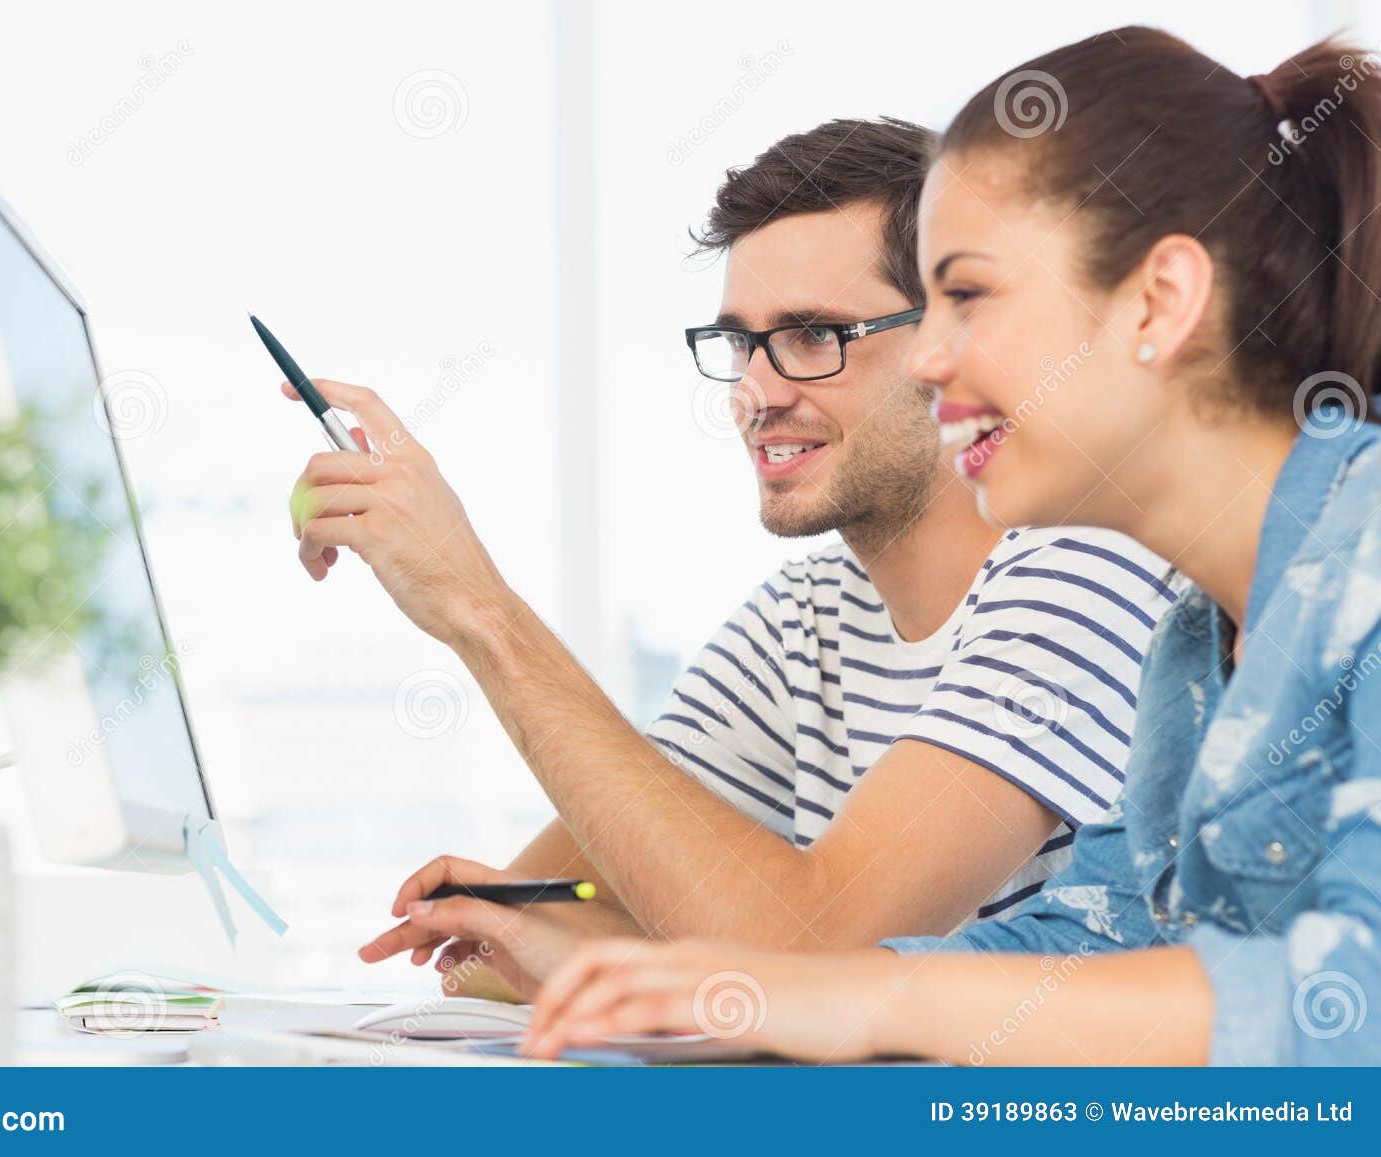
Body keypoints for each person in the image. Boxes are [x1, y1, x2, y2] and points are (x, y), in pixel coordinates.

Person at [498, 27, 1381, 1066]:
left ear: (1159, 299)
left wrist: (867, 996)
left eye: (966, 295)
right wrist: (761, 995)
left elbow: (1344, 1001)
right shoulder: (1198, 642)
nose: (924, 359)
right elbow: (1091, 946)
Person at [284, 118, 1171, 996]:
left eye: (814, 336)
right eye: (740, 343)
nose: (756, 391)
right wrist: (574, 934)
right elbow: (519, 926)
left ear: (950, 344)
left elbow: (819, 947)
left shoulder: (1088, 564)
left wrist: (476, 604)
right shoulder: (806, 615)